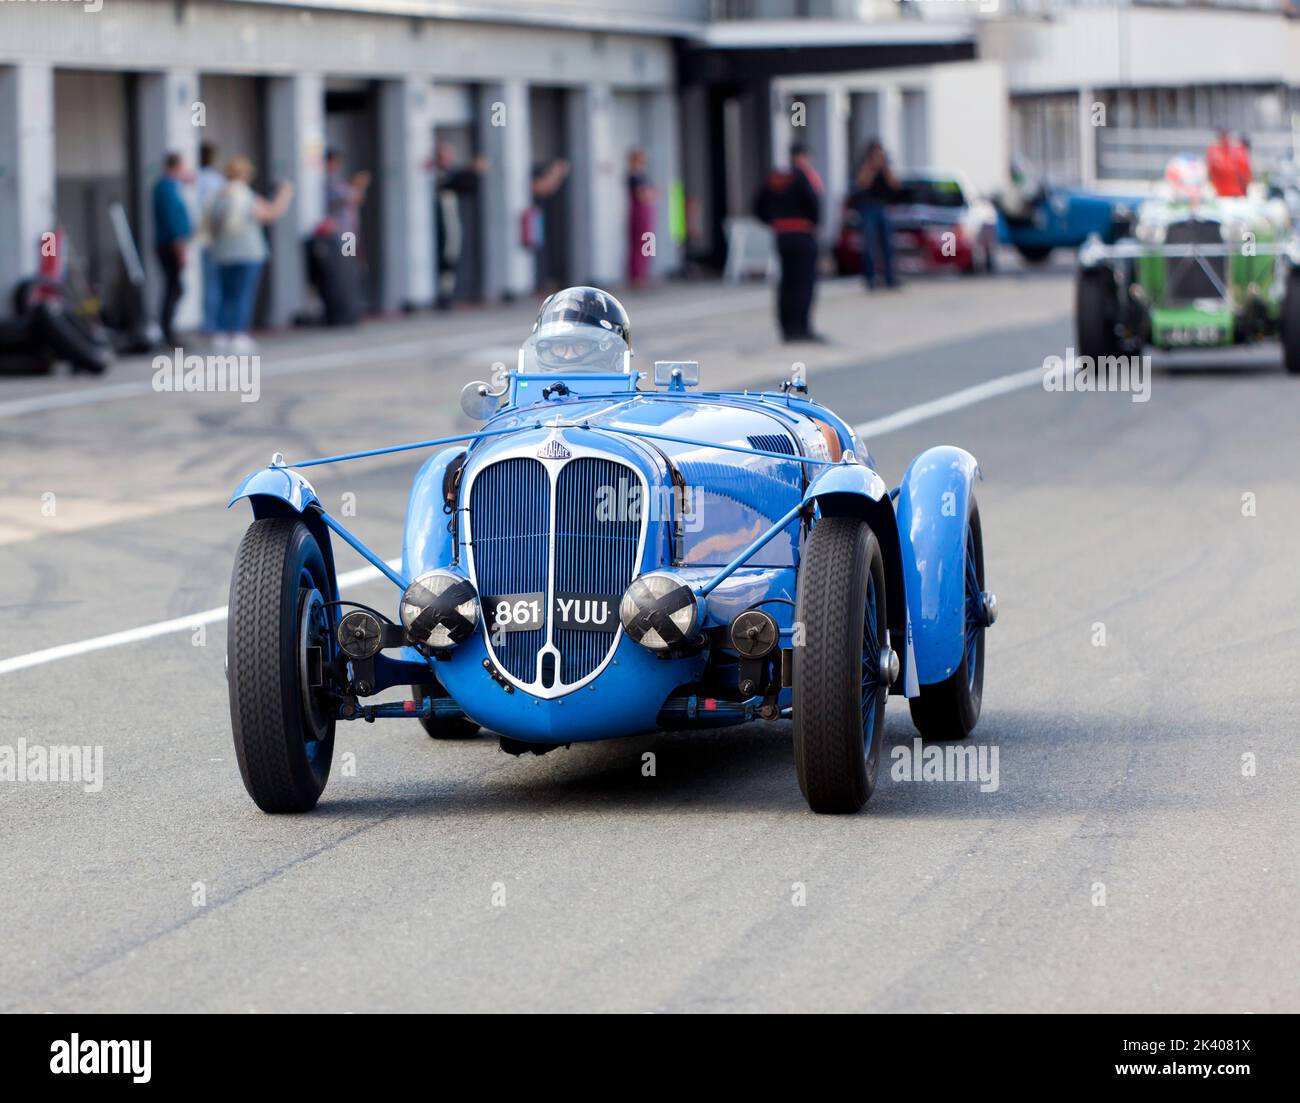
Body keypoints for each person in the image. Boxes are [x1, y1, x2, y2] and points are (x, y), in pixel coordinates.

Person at [208, 156, 293, 353]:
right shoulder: (245, 195)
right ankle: (238, 333)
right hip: (247, 253)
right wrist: (285, 193)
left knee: (225, 294)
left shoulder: (218, 195)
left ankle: (221, 333)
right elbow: (272, 213)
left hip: (221, 253)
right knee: (242, 294)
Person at [754, 142, 824, 343]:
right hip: (802, 234)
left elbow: (758, 205)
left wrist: (773, 221)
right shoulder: (804, 176)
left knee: (786, 283)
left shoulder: (776, 177)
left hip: (782, 235)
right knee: (803, 283)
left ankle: (786, 328)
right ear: (802, 156)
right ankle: (801, 327)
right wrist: (814, 223)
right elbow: (814, 204)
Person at [523, 285, 631, 374]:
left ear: (610, 348)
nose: (569, 356)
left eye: (580, 346)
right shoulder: (530, 397)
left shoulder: (629, 400)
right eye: (560, 347)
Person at [433, 141, 488, 308]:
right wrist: (472, 170)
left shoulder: (450, 174)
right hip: (441, 226)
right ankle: (443, 296)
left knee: (450, 255)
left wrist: (474, 172)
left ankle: (446, 294)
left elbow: (466, 185)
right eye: (445, 156)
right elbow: (454, 180)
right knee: (446, 256)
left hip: (450, 224)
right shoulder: (438, 175)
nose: (449, 159)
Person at [151, 152, 192, 348]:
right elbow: (173, 221)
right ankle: (168, 332)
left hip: (168, 243)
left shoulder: (168, 187)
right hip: (170, 244)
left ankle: (168, 330)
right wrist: (180, 247)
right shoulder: (167, 188)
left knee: (174, 287)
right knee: (174, 288)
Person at [852, 139, 901, 290]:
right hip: (868, 207)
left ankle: (889, 277)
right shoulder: (865, 165)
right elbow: (862, 183)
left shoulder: (885, 167)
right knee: (869, 244)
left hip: (883, 207)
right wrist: (872, 167)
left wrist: (885, 167)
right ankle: (870, 278)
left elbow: (895, 185)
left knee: (888, 244)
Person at [195, 142, 225, 335]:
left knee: (208, 282)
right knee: (218, 282)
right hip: (218, 238)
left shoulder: (195, 179)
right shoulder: (217, 181)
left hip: (203, 237)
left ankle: (209, 322)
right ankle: (217, 323)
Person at [323, 148, 371, 239]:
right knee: (346, 253)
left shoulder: (338, 180)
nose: (338, 165)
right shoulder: (329, 180)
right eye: (336, 162)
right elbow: (351, 197)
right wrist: (358, 184)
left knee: (349, 253)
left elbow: (358, 198)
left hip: (347, 231)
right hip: (337, 232)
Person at [626, 148, 657, 286]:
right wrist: (650, 193)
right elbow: (642, 195)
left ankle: (644, 273)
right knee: (639, 243)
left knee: (648, 242)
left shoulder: (643, 176)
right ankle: (637, 276)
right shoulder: (634, 177)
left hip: (647, 210)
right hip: (639, 211)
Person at [1207, 129, 1251, 198]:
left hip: (1234, 193)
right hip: (1225, 192)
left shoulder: (1238, 152)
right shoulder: (1215, 152)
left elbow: (1245, 174)